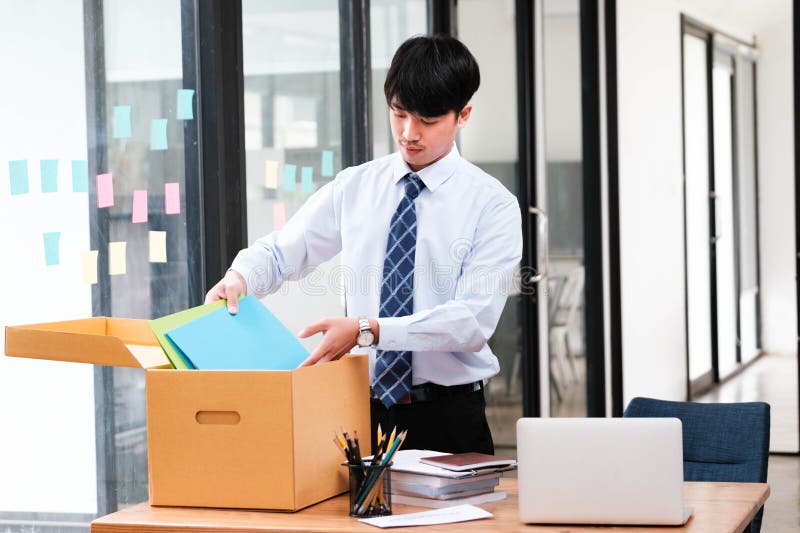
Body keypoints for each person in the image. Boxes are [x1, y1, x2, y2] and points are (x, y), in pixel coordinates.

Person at [205, 34, 522, 455]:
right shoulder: (357, 186)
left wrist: (368, 331)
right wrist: (240, 277)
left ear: (462, 114)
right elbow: (283, 251)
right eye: (399, 114)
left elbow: (470, 322)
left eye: (427, 121)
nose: (410, 133)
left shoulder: (492, 204)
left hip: (448, 417)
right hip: (357, 412)